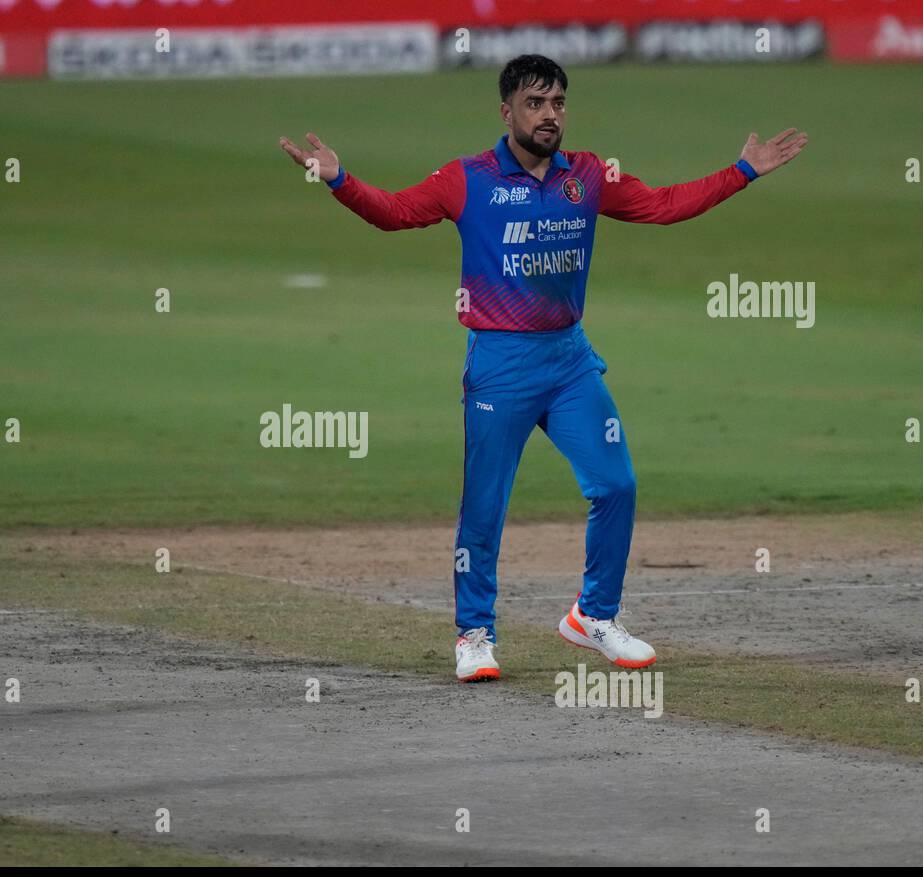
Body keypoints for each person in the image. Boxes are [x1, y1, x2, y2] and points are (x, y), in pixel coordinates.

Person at [280, 55, 806, 682]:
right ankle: (474, 634)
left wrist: (742, 171)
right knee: (484, 508)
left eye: (557, 102)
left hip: (569, 361)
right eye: (535, 103)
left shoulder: (587, 174)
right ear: (507, 112)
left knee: (617, 485)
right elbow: (394, 212)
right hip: (500, 366)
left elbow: (665, 205)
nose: (549, 114)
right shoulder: (466, 178)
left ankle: (594, 616)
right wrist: (340, 181)